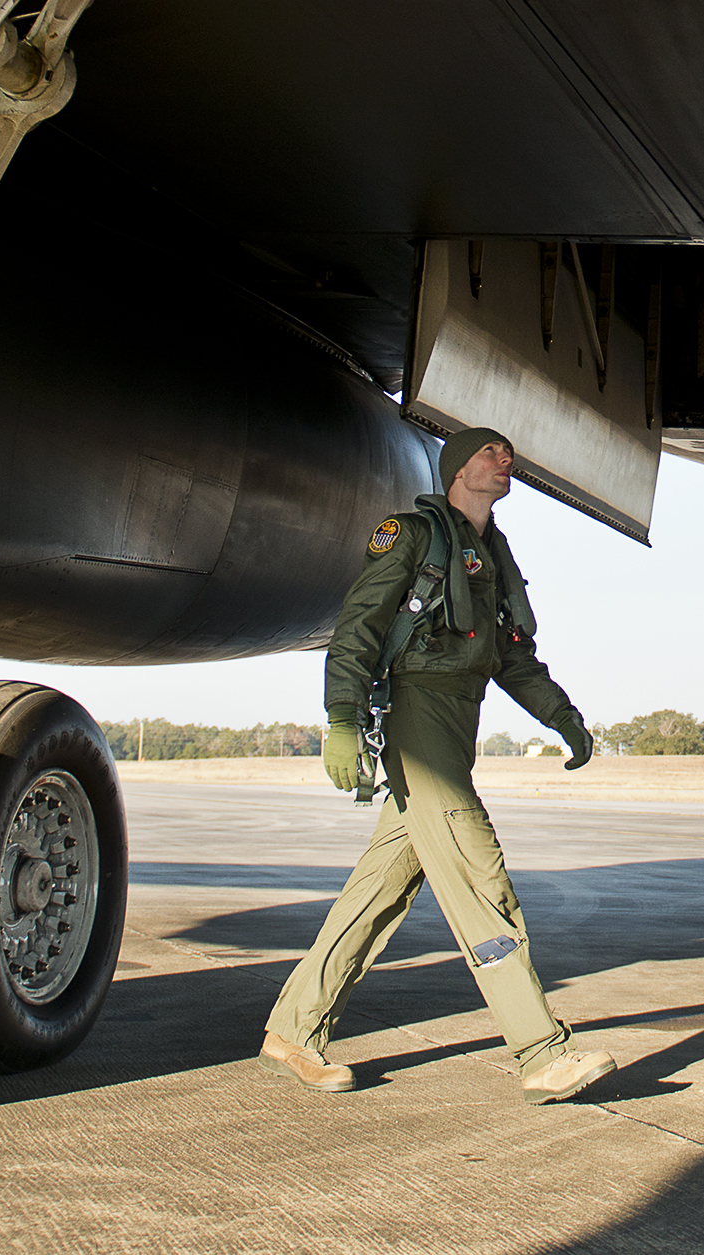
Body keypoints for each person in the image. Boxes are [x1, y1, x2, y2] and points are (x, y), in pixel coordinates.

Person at [259, 426, 617, 1103]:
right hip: (417, 718)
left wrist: (561, 715)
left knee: (382, 886)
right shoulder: (413, 535)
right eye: (489, 450)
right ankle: (540, 1049)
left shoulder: (491, 552)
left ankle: (292, 1029)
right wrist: (340, 718)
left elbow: (509, 654)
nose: (504, 457)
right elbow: (359, 626)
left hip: (459, 718)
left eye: (509, 450)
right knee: (478, 871)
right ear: (457, 469)